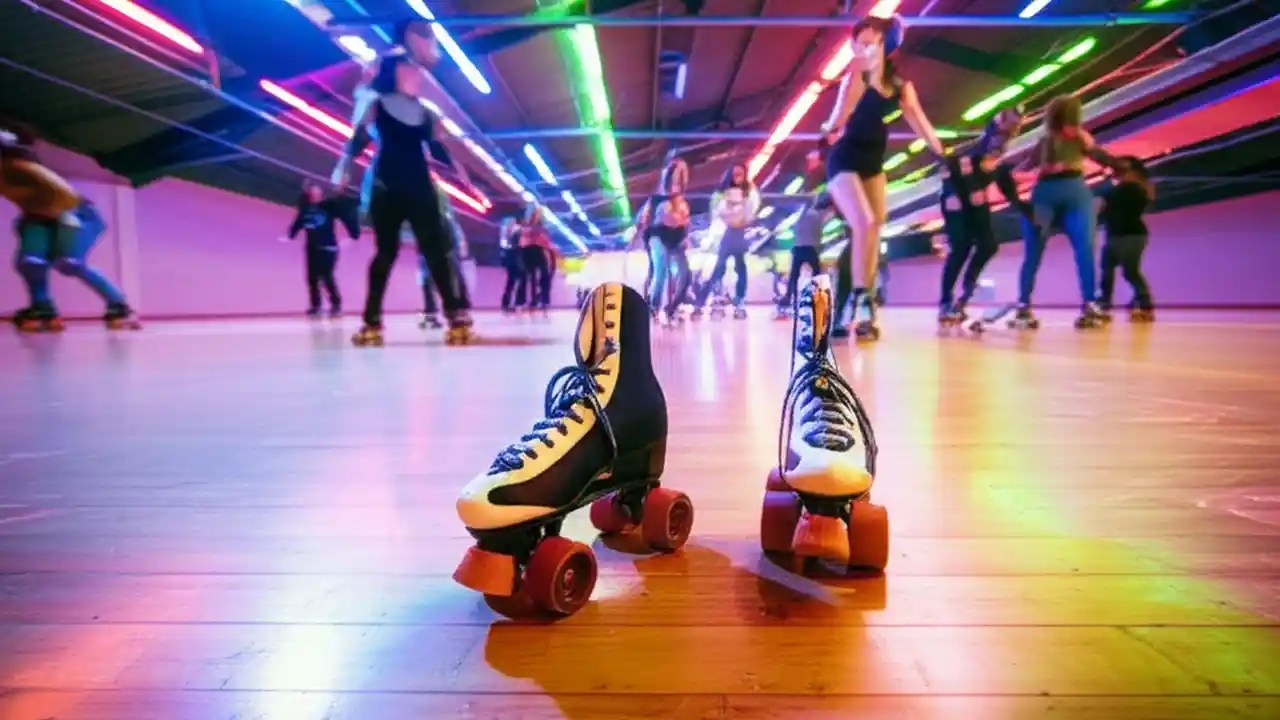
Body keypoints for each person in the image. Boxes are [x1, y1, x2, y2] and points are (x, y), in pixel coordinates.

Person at [330, 18, 474, 346]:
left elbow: (438, 147)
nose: (419, 78)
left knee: (436, 252)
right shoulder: (377, 106)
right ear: (396, 74)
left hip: (420, 188)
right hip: (387, 188)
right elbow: (357, 141)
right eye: (412, 73)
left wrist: (462, 173)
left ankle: (455, 315)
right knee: (385, 254)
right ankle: (372, 322)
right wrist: (341, 168)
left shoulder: (426, 114)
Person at [820, 14, 944, 340]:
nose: (863, 47)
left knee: (875, 229)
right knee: (864, 223)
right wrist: (830, 127)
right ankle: (857, 300)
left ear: (886, 43)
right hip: (844, 159)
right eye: (859, 41)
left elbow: (919, 121)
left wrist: (942, 151)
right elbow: (840, 114)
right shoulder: (857, 74)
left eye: (870, 39)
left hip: (873, 164)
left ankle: (863, 302)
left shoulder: (902, 86)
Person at [1, 123, 137, 330]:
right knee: (31, 261)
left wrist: (63, 227)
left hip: (76, 214)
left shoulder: (25, 169)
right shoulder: (11, 170)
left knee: (69, 262)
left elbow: (66, 198)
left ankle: (119, 304)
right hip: (39, 216)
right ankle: (43, 307)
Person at [1021, 94, 1118, 329]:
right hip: (1070, 189)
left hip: (1049, 191)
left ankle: (1024, 304)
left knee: (1035, 253)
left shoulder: (1059, 140)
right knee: (1083, 249)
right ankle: (1088, 302)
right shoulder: (1070, 139)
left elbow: (1023, 167)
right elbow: (1102, 158)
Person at [937, 106, 1025, 325]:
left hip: (976, 202)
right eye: (1006, 130)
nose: (1007, 138)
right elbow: (951, 164)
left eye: (1013, 131)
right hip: (955, 201)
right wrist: (955, 191)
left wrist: (1022, 207)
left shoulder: (999, 155)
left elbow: (1004, 180)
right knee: (960, 248)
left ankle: (966, 289)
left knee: (988, 244)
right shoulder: (980, 147)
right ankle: (945, 301)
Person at [693, 162, 761, 319]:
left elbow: (752, 209)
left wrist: (744, 219)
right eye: (734, 174)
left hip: (739, 233)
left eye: (740, 174)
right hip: (724, 233)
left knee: (740, 268)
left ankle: (739, 301)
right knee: (719, 268)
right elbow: (716, 211)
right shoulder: (721, 193)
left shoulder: (750, 191)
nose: (737, 177)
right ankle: (705, 300)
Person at [288, 181, 359, 318]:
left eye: (318, 193)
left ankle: (336, 305)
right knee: (312, 279)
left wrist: (341, 190)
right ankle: (316, 307)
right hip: (312, 249)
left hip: (328, 248)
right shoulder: (306, 209)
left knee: (327, 277)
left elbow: (344, 204)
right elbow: (297, 223)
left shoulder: (328, 206)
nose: (316, 195)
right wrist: (291, 235)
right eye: (313, 193)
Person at [1097, 156, 1155, 322]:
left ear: (1134, 172)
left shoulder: (1131, 189)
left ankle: (1143, 302)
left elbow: (1105, 206)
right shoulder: (1132, 189)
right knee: (1110, 270)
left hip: (1130, 235)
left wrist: (1107, 181)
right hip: (1118, 235)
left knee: (1128, 271)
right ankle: (1109, 303)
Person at [638, 157, 692, 323]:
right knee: (660, 270)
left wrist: (685, 236)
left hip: (676, 238)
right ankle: (653, 306)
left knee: (685, 273)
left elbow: (684, 222)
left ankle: (672, 307)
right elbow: (644, 221)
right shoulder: (656, 200)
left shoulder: (683, 203)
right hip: (657, 236)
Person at [778, 191, 836, 316]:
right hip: (810, 249)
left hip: (799, 248)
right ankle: (818, 297)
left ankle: (788, 298)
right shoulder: (820, 214)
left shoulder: (804, 213)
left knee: (794, 275)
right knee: (816, 274)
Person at [517, 204, 551, 313]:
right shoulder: (526, 227)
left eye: (538, 214)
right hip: (528, 251)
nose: (537, 215)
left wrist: (547, 256)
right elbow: (522, 241)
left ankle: (542, 300)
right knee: (528, 278)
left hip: (538, 251)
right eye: (535, 213)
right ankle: (524, 301)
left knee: (542, 276)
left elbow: (546, 244)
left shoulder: (542, 228)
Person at [497, 216, 523, 312]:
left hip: (515, 261)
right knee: (512, 283)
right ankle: (510, 303)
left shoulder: (516, 232)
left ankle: (512, 303)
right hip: (514, 261)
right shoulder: (508, 233)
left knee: (514, 283)